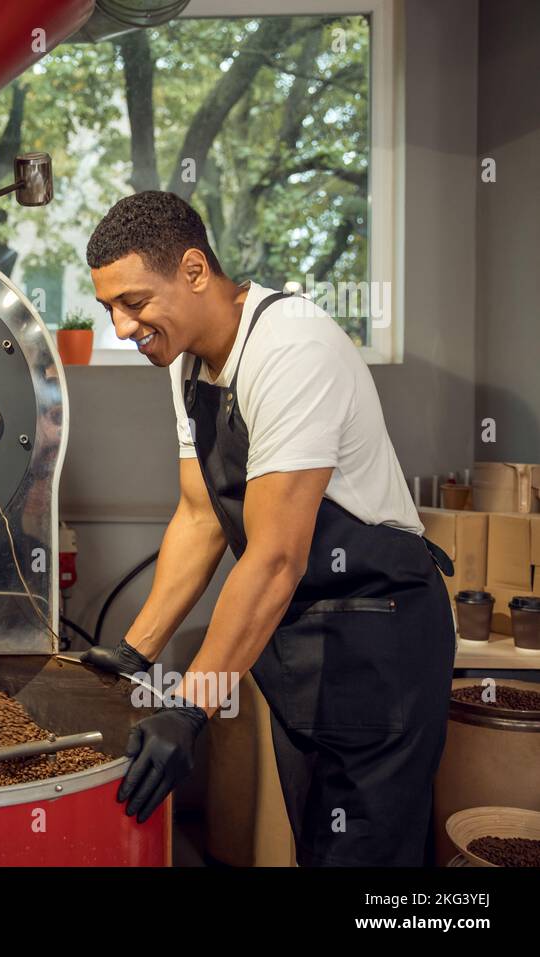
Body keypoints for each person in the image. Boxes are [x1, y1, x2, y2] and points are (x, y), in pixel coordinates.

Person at [79, 190, 455, 866]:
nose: (122, 326)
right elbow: (200, 517)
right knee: (322, 845)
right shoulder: (187, 357)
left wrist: (192, 706)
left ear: (195, 271)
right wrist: (133, 653)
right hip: (300, 646)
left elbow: (277, 558)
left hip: (377, 641)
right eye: (109, 308)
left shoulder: (291, 347)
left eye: (133, 302)